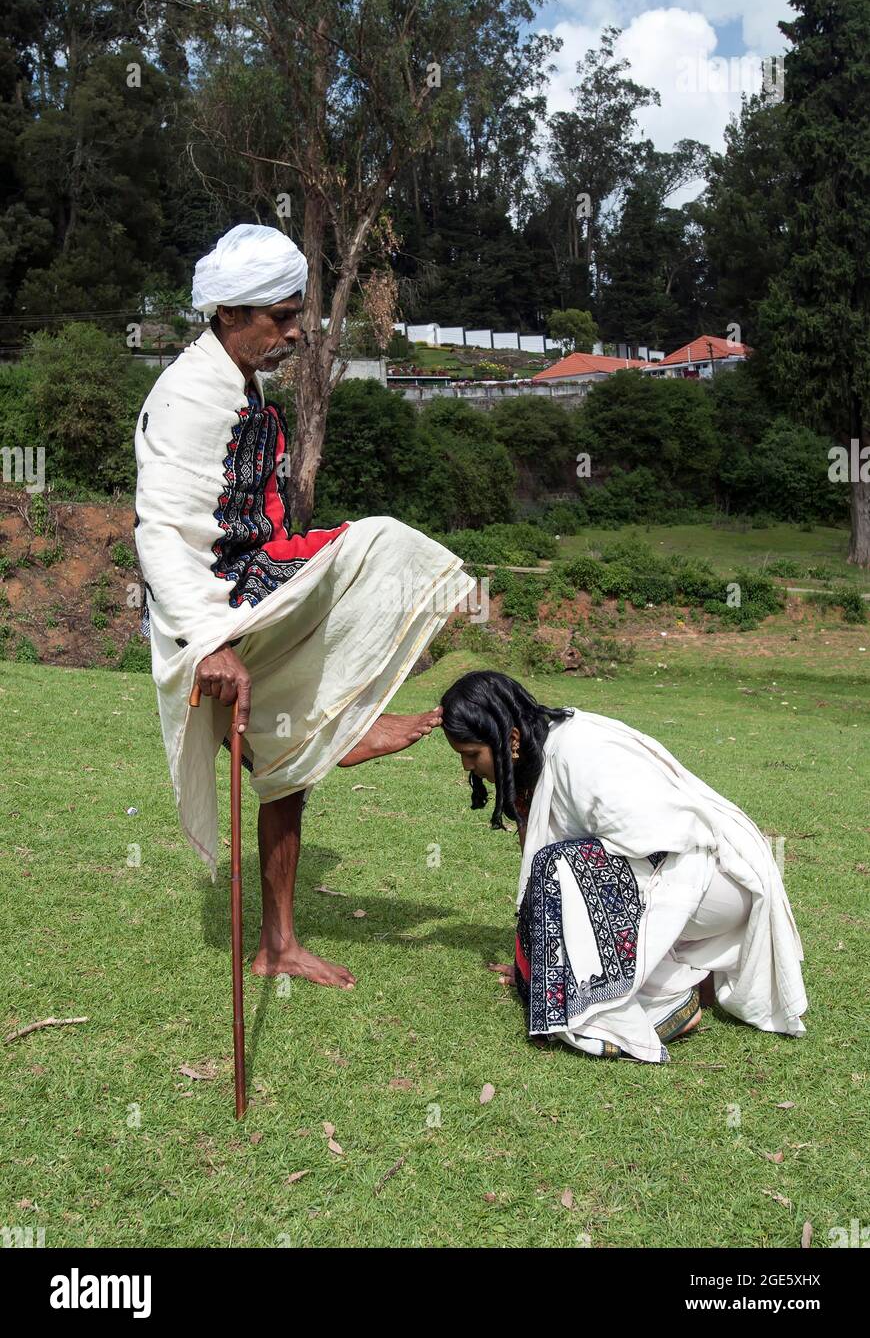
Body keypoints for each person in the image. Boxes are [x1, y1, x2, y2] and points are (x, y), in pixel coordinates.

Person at [134, 223, 473, 989]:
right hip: (218, 602)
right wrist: (206, 643)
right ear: (228, 314)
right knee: (385, 544)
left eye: (296, 314)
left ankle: (280, 942)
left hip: (252, 571)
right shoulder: (189, 397)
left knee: (288, 767)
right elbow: (159, 529)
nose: (296, 331)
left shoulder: (235, 377)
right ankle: (339, 724)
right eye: (280, 317)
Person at [440, 670, 807, 1062]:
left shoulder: (580, 752)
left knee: (561, 868)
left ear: (510, 740)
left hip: (712, 882)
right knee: (559, 872)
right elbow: (539, 884)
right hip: (677, 881)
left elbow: (664, 836)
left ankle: (659, 1008)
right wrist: (537, 965)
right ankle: (674, 989)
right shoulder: (537, 757)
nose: (467, 768)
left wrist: (564, 942)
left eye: (471, 754)